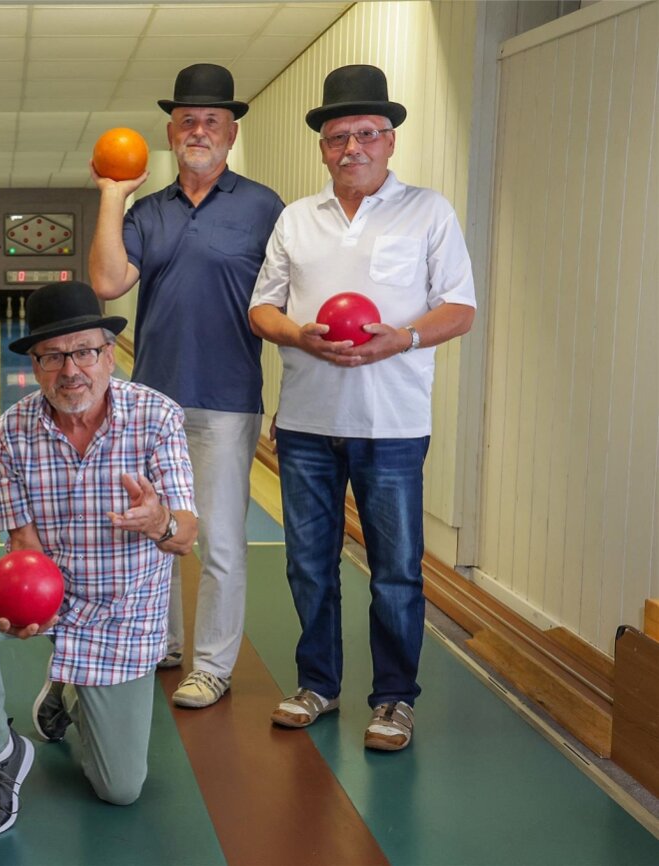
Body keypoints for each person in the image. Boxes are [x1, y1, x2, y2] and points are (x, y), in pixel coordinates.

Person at [248, 64, 476, 751]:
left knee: (396, 572)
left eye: (366, 134)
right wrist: (299, 335)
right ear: (322, 146)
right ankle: (317, 684)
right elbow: (262, 306)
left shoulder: (428, 211)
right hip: (306, 426)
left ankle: (393, 700)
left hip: (394, 428)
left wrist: (401, 338)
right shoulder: (296, 218)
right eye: (338, 136)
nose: (352, 147)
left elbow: (459, 308)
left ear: (389, 140)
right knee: (307, 564)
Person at [0, 281, 197, 836]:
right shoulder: (9, 435)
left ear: (109, 354)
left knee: (120, 789)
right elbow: (23, 548)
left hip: (123, 612)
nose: (70, 370)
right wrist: (25, 610)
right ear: (34, 364)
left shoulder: (158, 417)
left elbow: (186, 536)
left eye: (85, 352)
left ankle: (67, 691)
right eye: (52, 356)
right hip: (52, 587)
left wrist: (159, 521)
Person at [88, 63, 284, 709]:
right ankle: (164, 643)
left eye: (211, 121)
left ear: (230, 134)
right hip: (153, 400)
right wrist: (112, 197)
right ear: (170, 132)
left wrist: (288, 398)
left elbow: (286, 301)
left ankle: (212, 665)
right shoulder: (148, 211)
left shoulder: (262, 208)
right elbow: (108, 283)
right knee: (156, 531)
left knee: (220, 538)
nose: (198, 130)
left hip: (227, 400)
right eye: (186, 120)